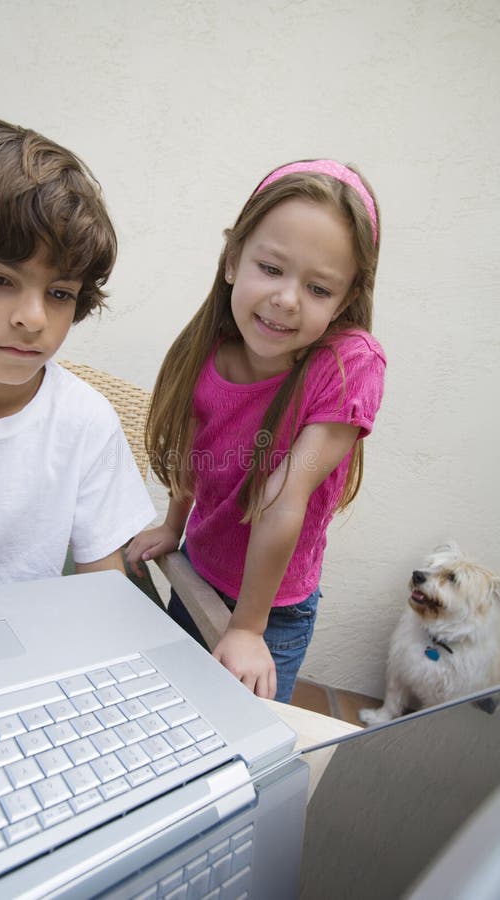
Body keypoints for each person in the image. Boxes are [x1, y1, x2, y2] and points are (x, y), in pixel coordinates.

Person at [127, 159, 386, 703]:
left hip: (274, 613)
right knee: (173, 708)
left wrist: (247, 628)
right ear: (231, 262)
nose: (288, 299)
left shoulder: (348, 367)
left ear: (345, 300)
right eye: (271, 269)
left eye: (318, 288)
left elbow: (282, 496)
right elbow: (193, 456)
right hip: (198, 573)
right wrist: (174, 526)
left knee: (238, 738)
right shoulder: (206, 353)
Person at [0, 115, 155, 595]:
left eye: (60, 293)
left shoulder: (86, 422)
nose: (34, 318)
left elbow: (101, 593)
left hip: (28, 655)